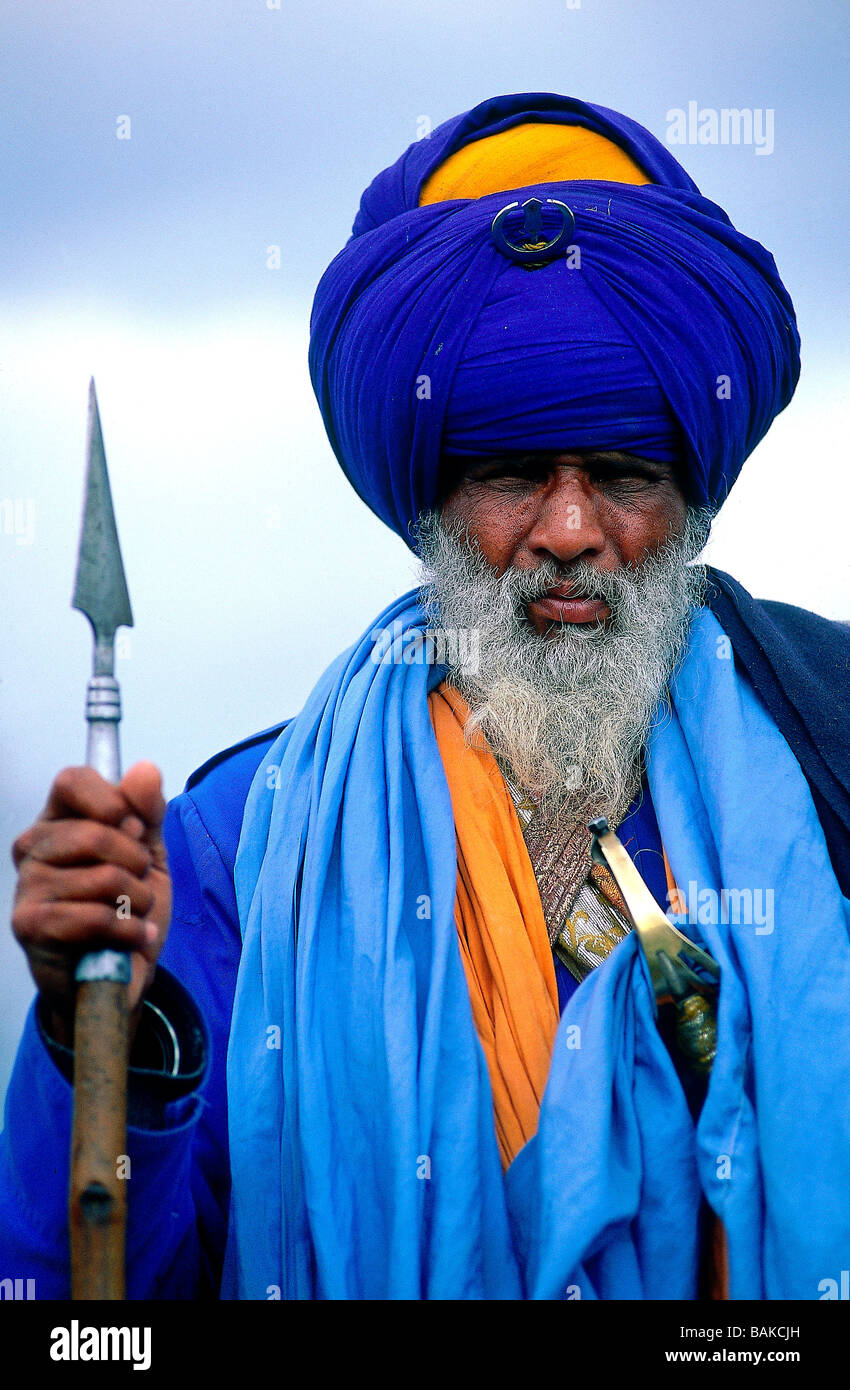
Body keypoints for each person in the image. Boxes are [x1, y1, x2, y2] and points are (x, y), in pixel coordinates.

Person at [3, 92, 850, 1302]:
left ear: (691, 501)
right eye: (511, 473)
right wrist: (116, 1042)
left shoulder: (830, 763)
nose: (568, 529)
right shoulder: (244, 848)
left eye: (621, 472)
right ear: (430, 502)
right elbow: (88, 1310)